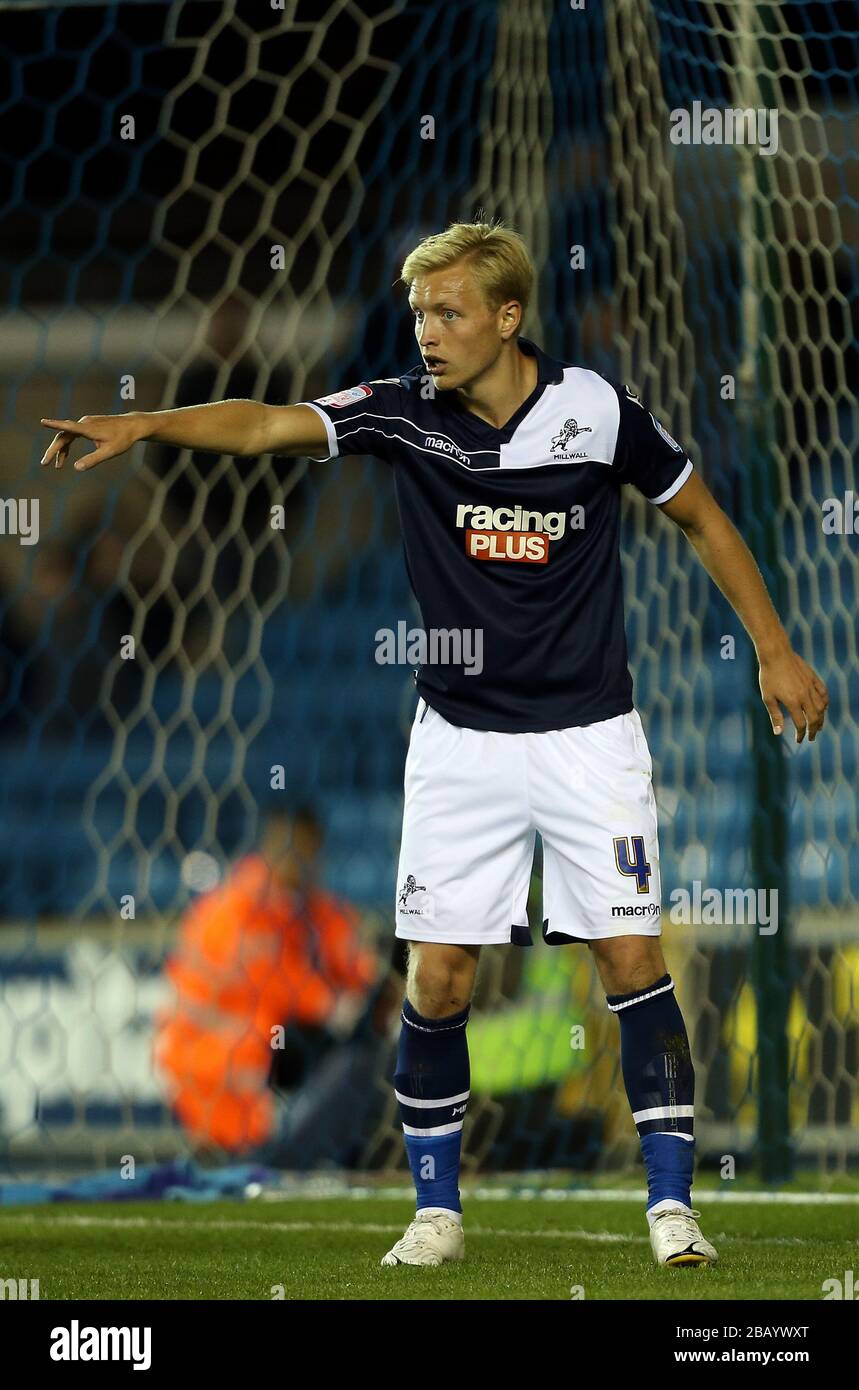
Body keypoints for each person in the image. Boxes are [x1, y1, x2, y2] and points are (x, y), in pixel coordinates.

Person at [40, 219, 829, 1268]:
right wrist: (146, 428)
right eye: (419, 312)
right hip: (460, 743)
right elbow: (270, 426)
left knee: (630, 957)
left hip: (591, 739)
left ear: (508, 319)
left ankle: (673, 1206)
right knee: (438, 977)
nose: (428, 332)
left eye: (449, 312)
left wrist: (774, 650)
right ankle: (435, 1210)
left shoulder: (594, 411)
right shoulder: (404, 414)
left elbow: (702, 517)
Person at [154, 804, 376, 1157]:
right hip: (211, 1056)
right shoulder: (240, 906)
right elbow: (271, 979)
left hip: (267, 1048)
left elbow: (349, 953)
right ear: (269, 846)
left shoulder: (309, 905)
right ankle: (276, 1157)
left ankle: (309, 1154)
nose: (296, 858)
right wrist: (333, 1005)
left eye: (306, 850)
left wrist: (368, 982)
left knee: (362, 1056)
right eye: (289, 846)